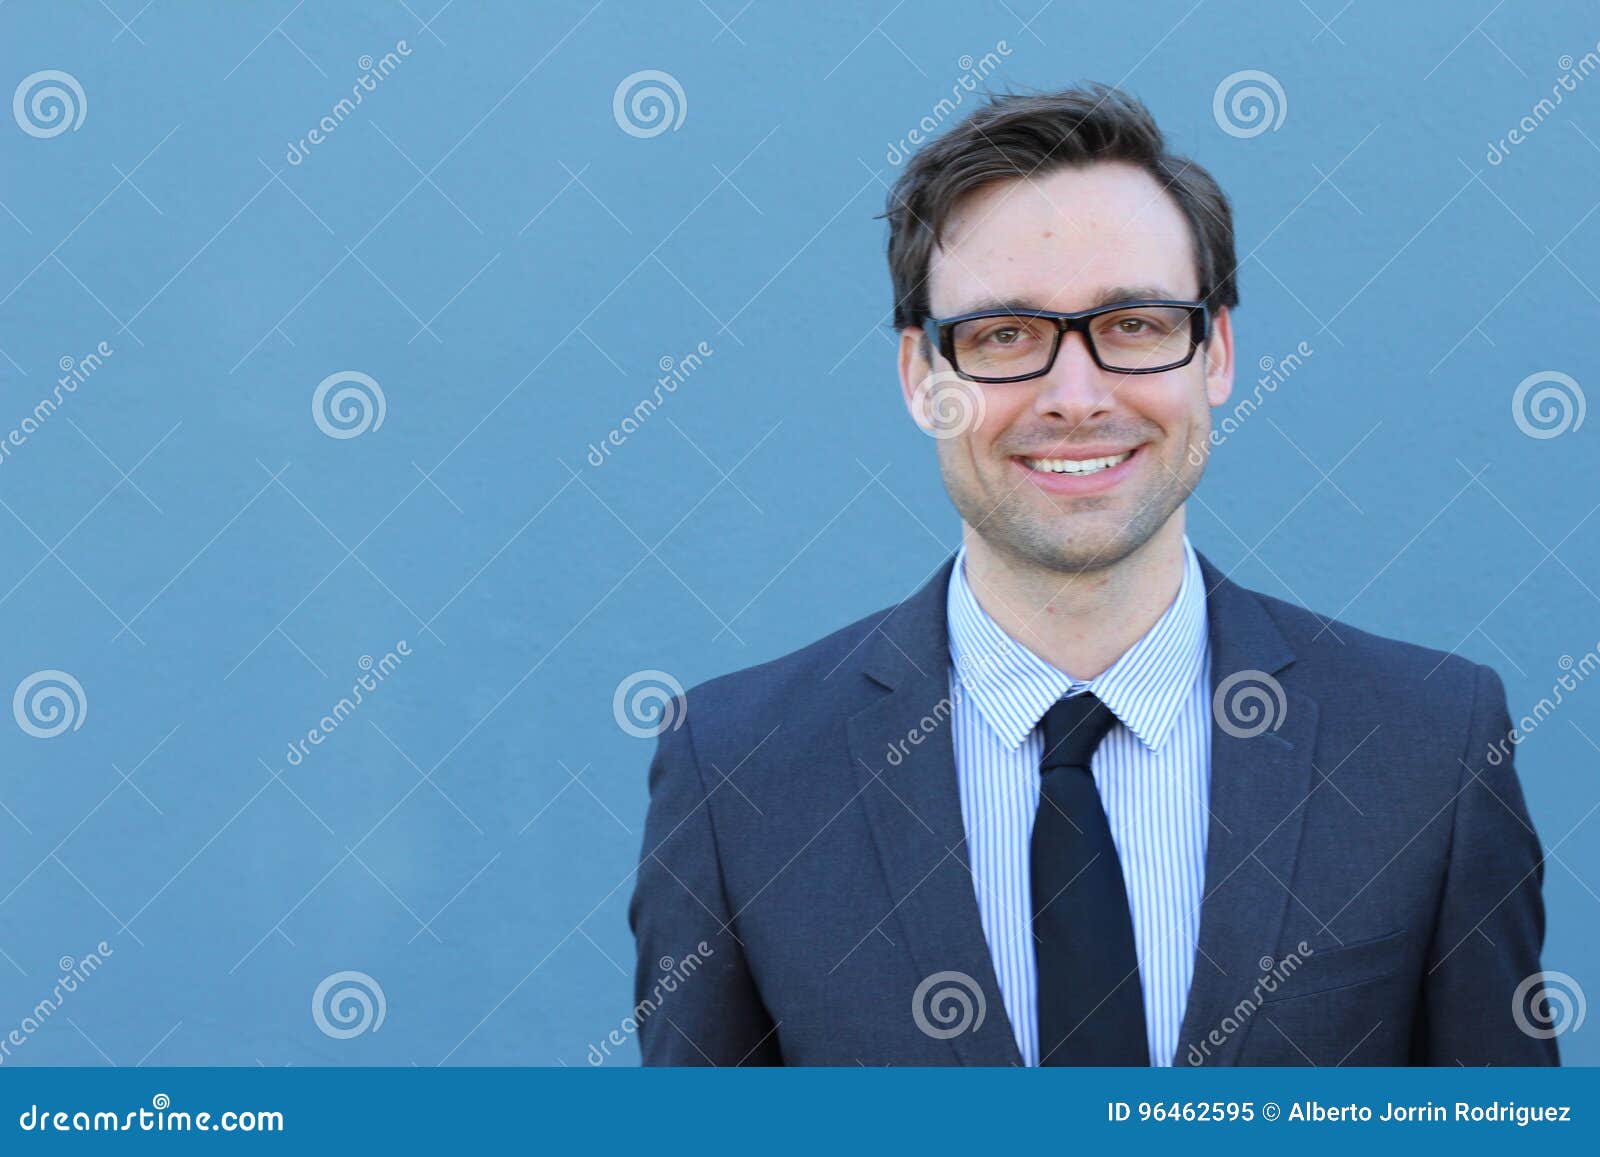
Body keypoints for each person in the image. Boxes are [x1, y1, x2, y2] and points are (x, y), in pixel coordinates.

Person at [627, 83, 1555, 1066]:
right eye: (1003, 336)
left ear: (1217, 352)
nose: (1075, 397)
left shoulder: (1428, 744)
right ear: (919, 377)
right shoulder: (740, 772)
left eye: (1136, 324)